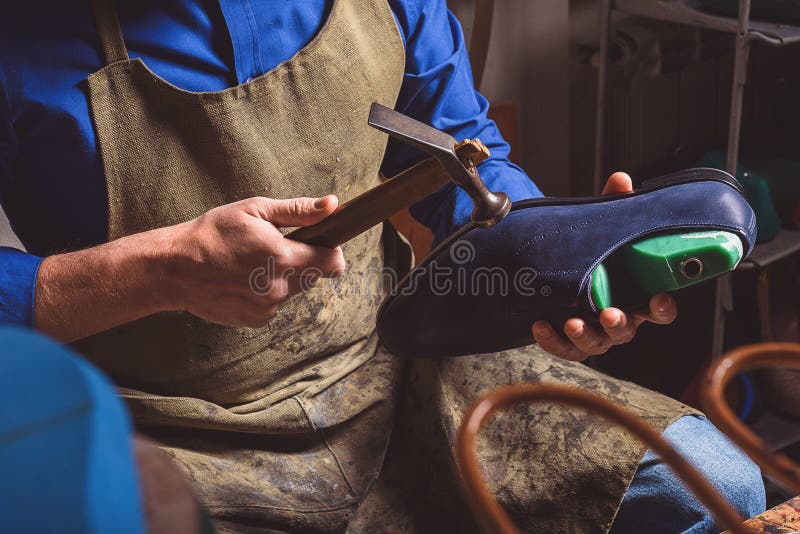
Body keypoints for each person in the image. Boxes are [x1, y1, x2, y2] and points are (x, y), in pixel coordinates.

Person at [0, 1, 764, 532]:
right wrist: (161, 270)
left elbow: (470, 163)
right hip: (170, 431)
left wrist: (554, 258)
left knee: (716, 487)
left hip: (396, 366)